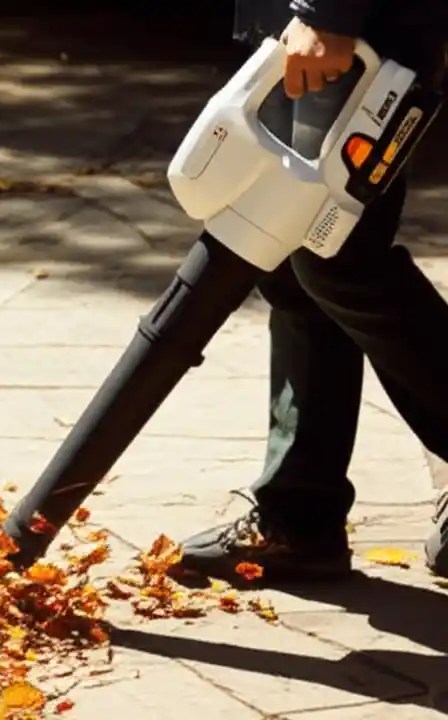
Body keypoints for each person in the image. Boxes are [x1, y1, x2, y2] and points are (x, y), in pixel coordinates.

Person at [178, 0, 448, 582]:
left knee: (337, 259)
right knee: (291, 259)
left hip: (358, 32)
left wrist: (331, 11)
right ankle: (298, 515)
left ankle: (298, 512)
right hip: (304, 24)